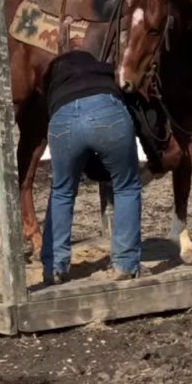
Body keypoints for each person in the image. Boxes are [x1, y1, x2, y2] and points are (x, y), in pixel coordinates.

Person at [40, 49, 148, 284]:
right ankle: (125, 265)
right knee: (126, 186)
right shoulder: (104, 70)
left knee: (62, 191)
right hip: (107, 109)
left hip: (63, 116)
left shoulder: (52, 81)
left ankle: (54, 267)